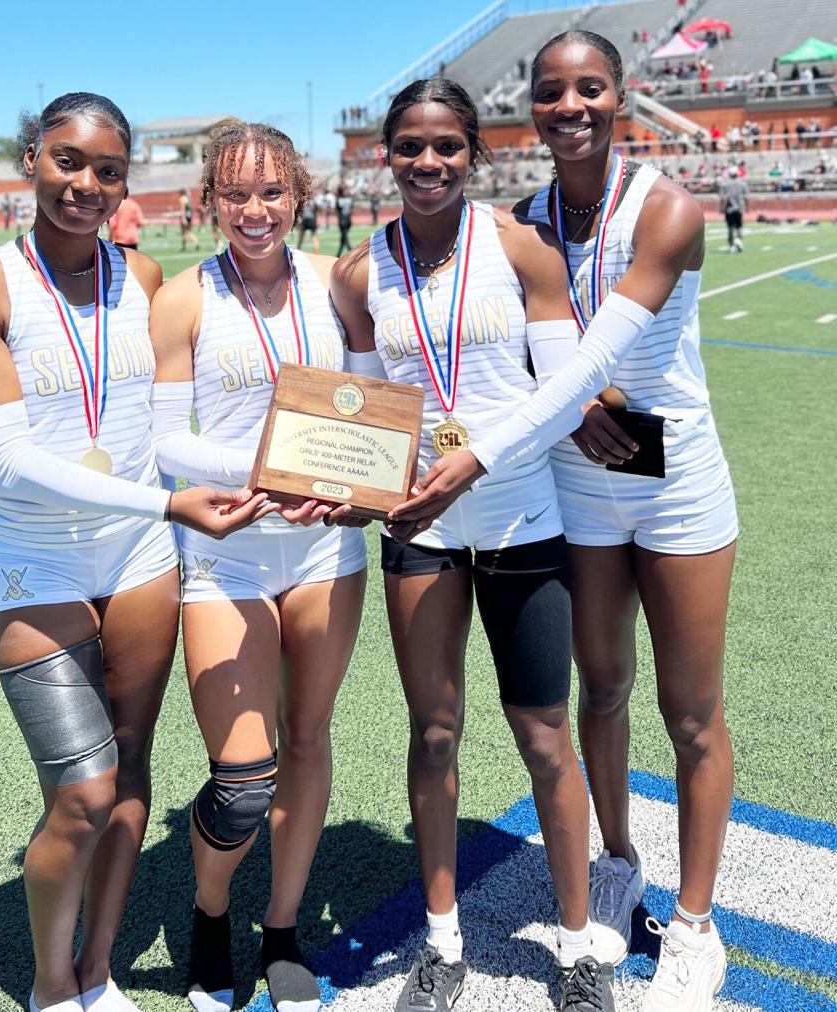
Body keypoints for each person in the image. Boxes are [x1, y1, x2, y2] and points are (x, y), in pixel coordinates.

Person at [0, 92, 274, 1012]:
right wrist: (169, 502)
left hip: (139, 560)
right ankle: (52, 987)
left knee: (131, 769)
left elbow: (165, 425)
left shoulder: (146, 275)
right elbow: (9, 467)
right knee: (83, 792)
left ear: (127, 181)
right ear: (33, 160)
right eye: (67, 161)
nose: (85, 184)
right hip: (36, 565)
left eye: (108, 170)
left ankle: (98, 970)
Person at [332, 77, 613, 1012]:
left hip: (525, 519)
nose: (427, 162)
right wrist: (366, 493)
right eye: (409, 145)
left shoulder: (520, 245)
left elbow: (564, 387)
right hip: (422, 528)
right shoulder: (357, 269)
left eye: (447, 146)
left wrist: (475, 463)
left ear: (474, 153)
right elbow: (369, 412)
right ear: (387, 153)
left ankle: (577, 950)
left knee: (543, 735)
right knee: (435, 732)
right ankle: (443, 944)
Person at [483, 31, 734, 1012]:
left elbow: (591, 359)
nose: (571, 104)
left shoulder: (666, 207)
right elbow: (510, 354)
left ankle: (700, 926)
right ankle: (621, 861)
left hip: (675, 477)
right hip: (577, 481)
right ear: (532, 107)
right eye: (552, 91)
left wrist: (565, 406)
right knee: (603, 685)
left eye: (590, 87)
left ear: (621, 98)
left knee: (691, 710)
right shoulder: (520, 223)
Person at [150, 120, 369, 1012]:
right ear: (209, 200)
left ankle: (281, 930)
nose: (254, 210)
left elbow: (368, 410)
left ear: (299, 199)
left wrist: (355, 483)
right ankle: (210, 914)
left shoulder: (334, 283)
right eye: (234, 193)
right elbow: (164, 438)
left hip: (325, 546)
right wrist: (255, 473)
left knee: (309, 739)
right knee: (244, 773)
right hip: (227, 552)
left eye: (271, 191)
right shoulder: (185, 298)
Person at [718, 165, 747, 252]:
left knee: (730, 226)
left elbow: (723, 198)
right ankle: (739, 241)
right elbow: (746, 196)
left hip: (729, 208)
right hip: (739, 208)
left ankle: (731, 244)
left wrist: (721, 208)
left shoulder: (725, 184)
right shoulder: (742, 183)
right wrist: (747, 207)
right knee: (739, 226)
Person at [336, 185, 354, 255]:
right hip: (345, 221)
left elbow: (338, 210)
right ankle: (338, 254)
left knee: (344, 238)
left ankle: (351, 252)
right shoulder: (347, 199)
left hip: (345, 221)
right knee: (344, 238)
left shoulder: (340, 200)